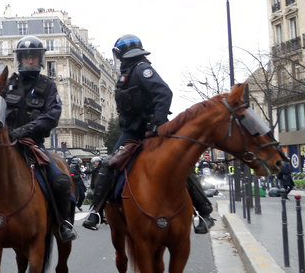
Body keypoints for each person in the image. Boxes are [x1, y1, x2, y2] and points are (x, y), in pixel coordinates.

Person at [83, 34, 215, 234]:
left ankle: (203, 212)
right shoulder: (125, 74)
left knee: (180, 164)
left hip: (152, 131)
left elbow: (164, 93)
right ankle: (97, 210)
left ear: (120, 55)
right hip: (131, 132)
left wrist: (158, 123)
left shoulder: (142, 69)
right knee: (109, 164)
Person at [0, 35, 77, 241]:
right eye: (26, 57)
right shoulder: (8, 84)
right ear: (20, 59)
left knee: (61, 181)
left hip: (34, 145)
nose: (30, 61)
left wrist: (25, 130)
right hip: (6, 145)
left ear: (39, 59)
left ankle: (63, 223)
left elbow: (52, 115)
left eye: (33, 57)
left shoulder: (47, 85)